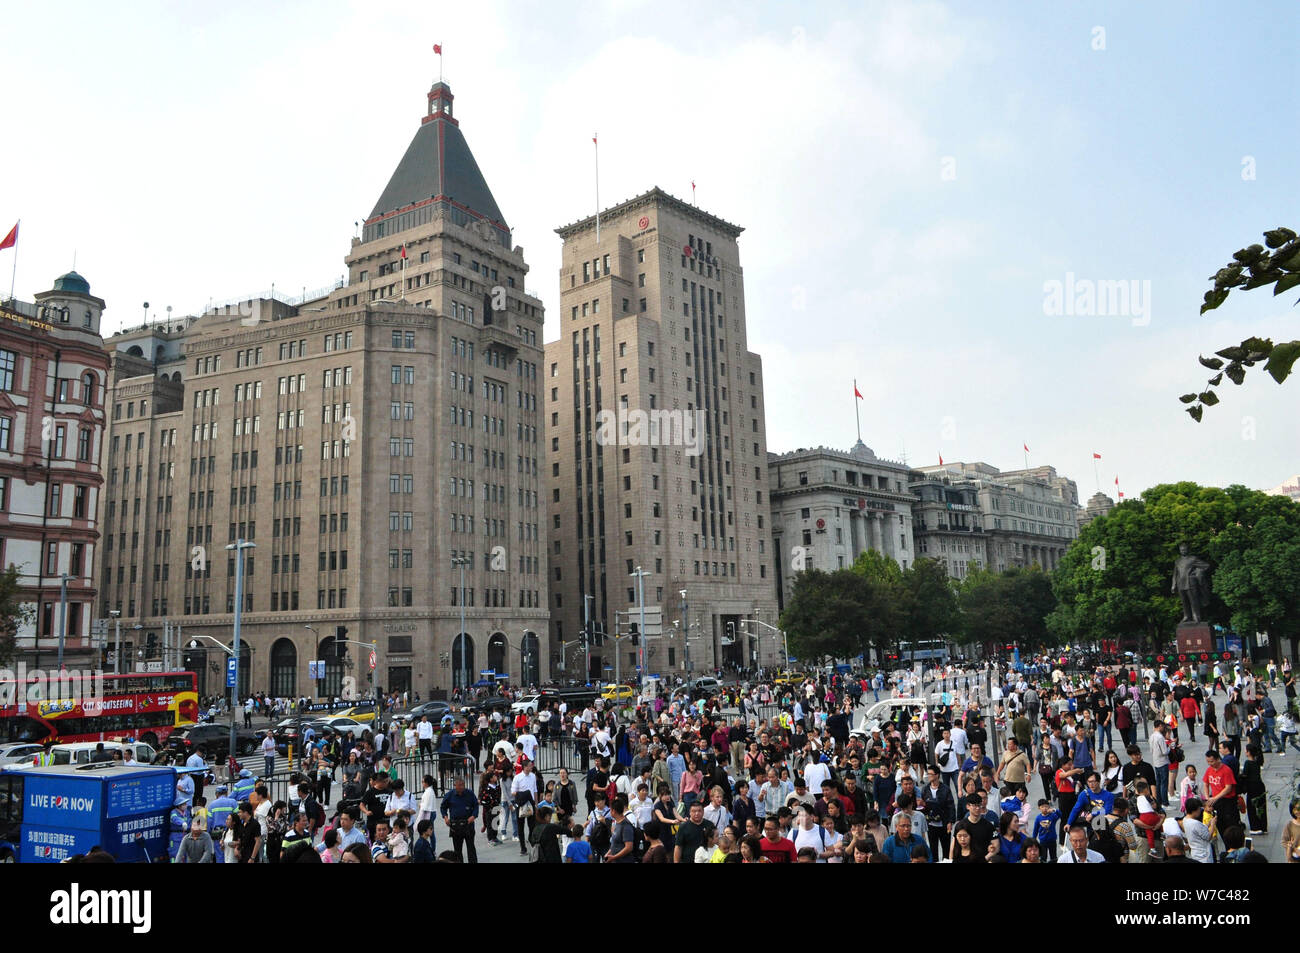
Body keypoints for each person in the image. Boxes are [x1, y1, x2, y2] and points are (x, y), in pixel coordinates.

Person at [440, 775, 480, 864]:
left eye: (463, 785)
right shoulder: (449, 795)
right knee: (457, 850)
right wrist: (445, 818)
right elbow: (443, 807)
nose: (462, 787)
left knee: (471, 847)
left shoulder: (469, 793)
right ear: (455, 786)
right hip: (455, 826)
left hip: (468, 824)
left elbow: (476, 806)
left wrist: (473, 816)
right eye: (460, 785)